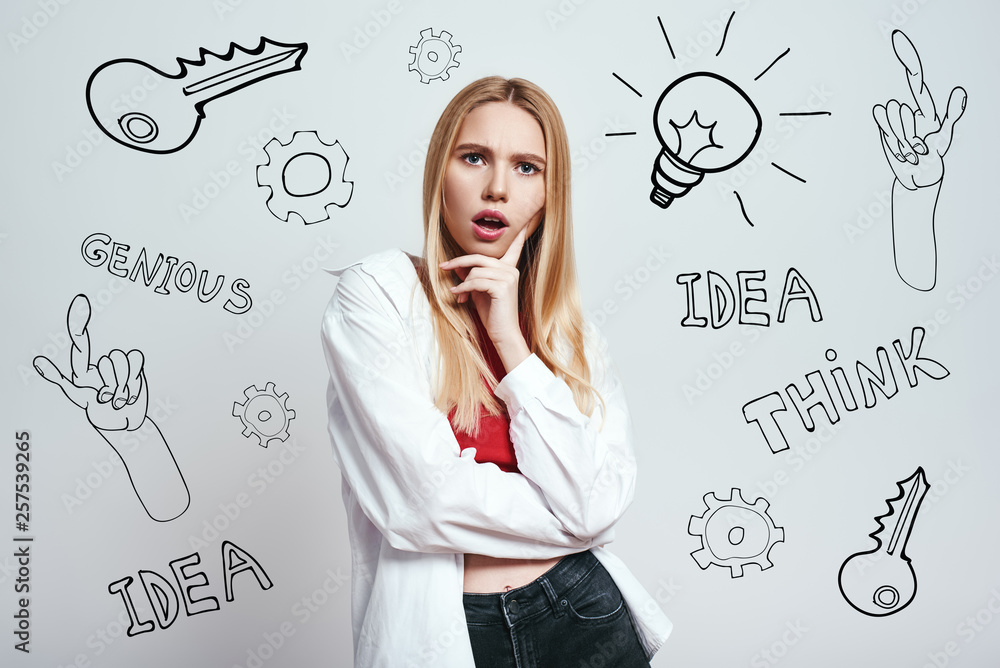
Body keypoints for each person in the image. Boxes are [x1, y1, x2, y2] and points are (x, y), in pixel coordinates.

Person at [321, 76, 671, 667]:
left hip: (585, 610)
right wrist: (574, 521)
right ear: (440, 173)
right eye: (474, 157)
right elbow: (423, 501)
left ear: (548, 195)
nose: (498, 188)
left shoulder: (571, 335)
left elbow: (601, 500)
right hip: (450, 629)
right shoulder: (378, 295)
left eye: (527, 167)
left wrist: (510, 339)